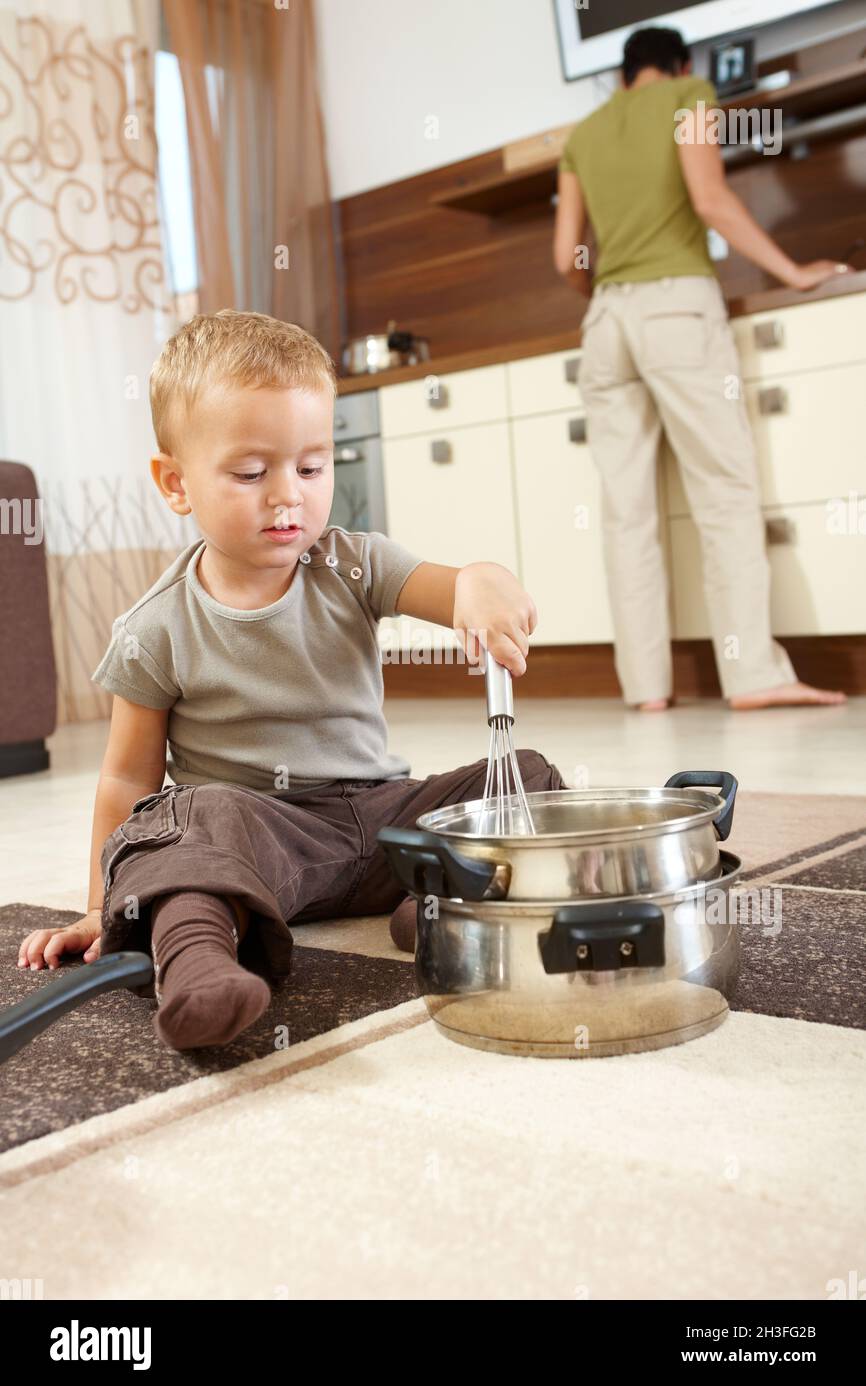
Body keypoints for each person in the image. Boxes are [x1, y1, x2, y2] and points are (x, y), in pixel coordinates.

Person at [16, 309, 565, 1048]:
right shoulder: (154, 629)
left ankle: (439, 900)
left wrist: (483, 583)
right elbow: (125, 782)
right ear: (175, 483)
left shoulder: (354, 563)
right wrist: (99, 905)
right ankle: (198, 970)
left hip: (379, 826)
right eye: (251, 473)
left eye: (311, 468)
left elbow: (454, 583)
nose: (288, 496)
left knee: (527, 773)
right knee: (185, 823)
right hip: (255, 844)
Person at [553, 25, 851, 711]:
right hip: (676, 311)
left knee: (626, 516)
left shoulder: (584, 133)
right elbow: (710, 199)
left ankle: (647, 690)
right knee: (723, 492)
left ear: (626, 75)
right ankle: (753, 676)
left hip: (605, 326)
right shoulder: (692, 93)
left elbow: (566, 251)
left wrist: (603, 294)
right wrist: (795, 272)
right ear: (681, 64)